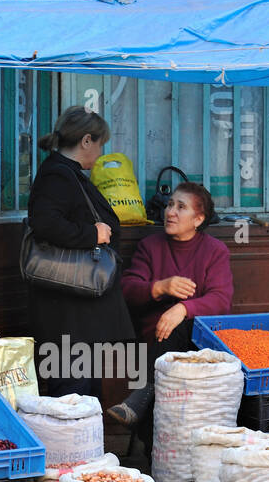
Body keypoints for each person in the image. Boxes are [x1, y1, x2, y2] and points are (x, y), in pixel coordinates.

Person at [26, 106, 135, 398]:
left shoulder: (66, 173)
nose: (100, 153)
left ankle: (85, 444)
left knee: (83, 390)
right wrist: (92, 234)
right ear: (86, 140)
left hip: (76, 310)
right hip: (68, 311)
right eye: (100, 144)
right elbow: (45, 223)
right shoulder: (58, 175)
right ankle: (72, 445)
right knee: (73, 392)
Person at [108, 182, 234, 429]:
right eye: (169, 205)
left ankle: (141, 398)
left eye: (181, 207)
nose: (170, 212)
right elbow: (127, 289)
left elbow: (221, 300)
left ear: (198, 219)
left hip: (198, 341)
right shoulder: (151, 247)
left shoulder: (214, 251)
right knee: (168, 333)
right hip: (155, 336)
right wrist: (159, 287)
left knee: (177, 325)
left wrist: (183, 309)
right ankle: (147, 416)